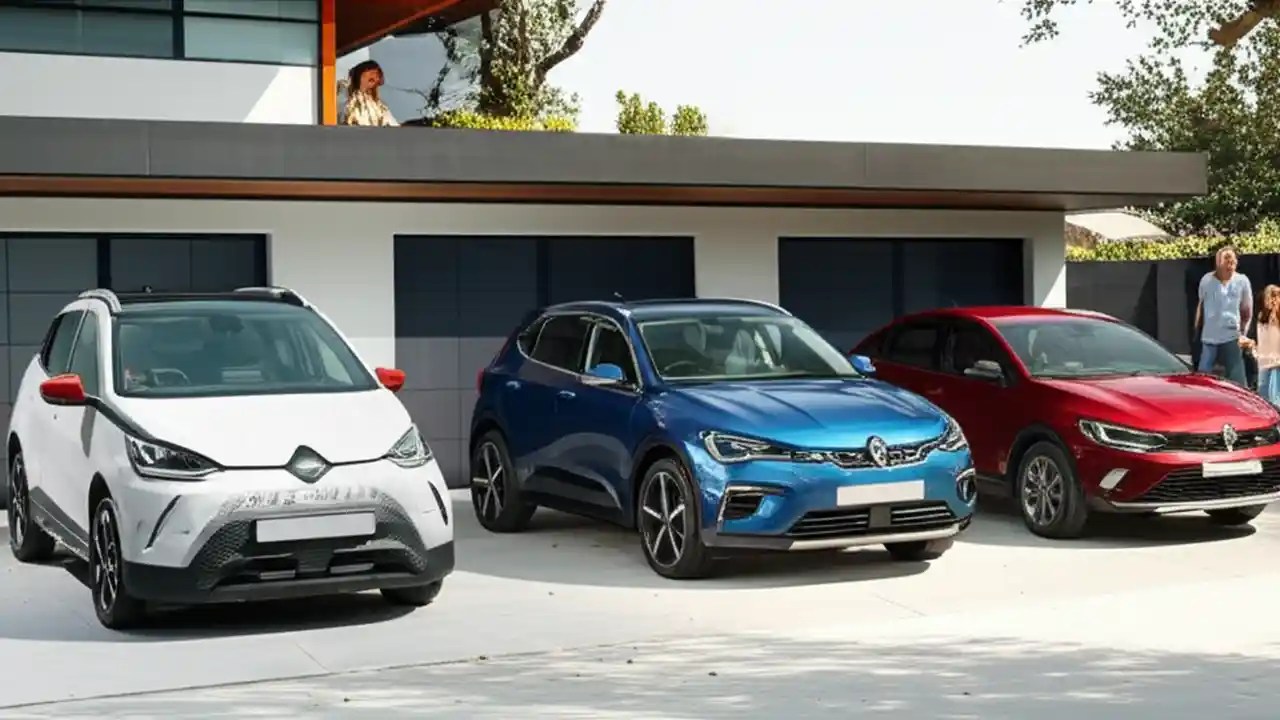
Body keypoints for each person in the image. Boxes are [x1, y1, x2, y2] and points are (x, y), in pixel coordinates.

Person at [1195, 245, 1252, 386]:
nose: (1230, 264)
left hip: (1232, 335)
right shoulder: (1206, 280)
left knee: (1237, 378)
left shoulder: (1242, 281)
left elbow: (1247, 310)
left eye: (1233, 261)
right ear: (1218, 262)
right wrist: (1196, 330)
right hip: (1209, 336)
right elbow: (1200, 306)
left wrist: (1243, 333)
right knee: (1203, 376)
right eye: (1226, 260)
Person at [1247, 284, 1280, 404]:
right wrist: (1253, 348)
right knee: (1265, 401)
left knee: (1275, 401)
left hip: (1276, 365)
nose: (1274, 300)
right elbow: (1263, 343)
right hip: (1264, 365)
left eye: (1277, 297)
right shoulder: (1262, 318)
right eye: (1271, 297)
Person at [342, 60, 398, 127]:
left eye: (377, 75)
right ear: (359, 77)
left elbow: (392, 125)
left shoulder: (380, 107)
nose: (375, 78)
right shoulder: (349, 102)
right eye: (371, 79)